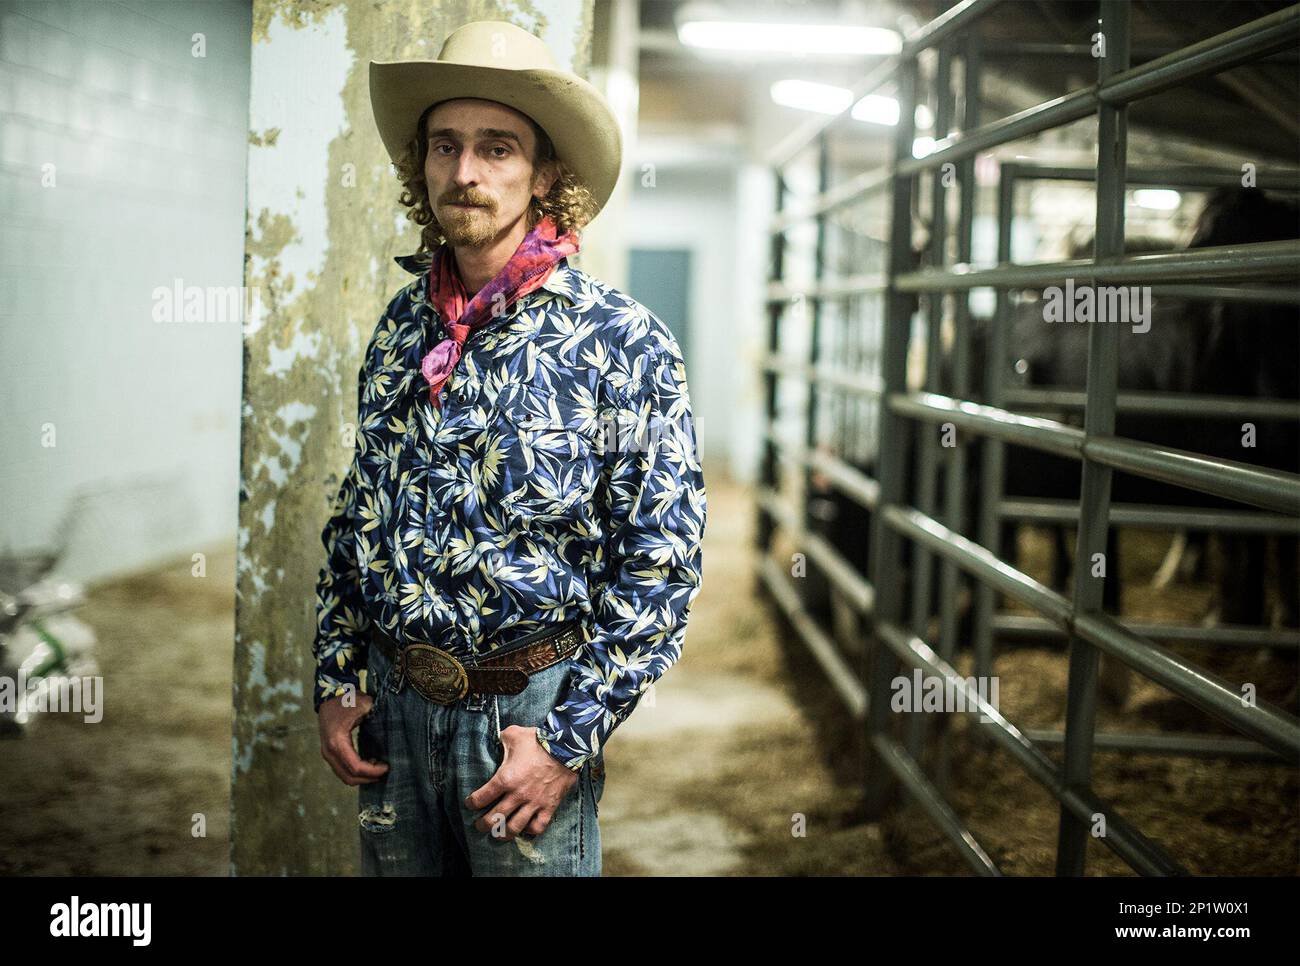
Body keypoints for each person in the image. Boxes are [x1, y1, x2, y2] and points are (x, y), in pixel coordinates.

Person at [311, 20, 706, 876]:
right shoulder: (399, 329)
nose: (465, 172)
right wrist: (339, 674)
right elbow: (357, 519)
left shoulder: (619, 339)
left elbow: (661, 560)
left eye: (497, 149)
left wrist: (567, 742)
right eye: (446, 146)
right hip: (395, 711)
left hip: (523, 720)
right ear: (421, 164)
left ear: (545, 171)